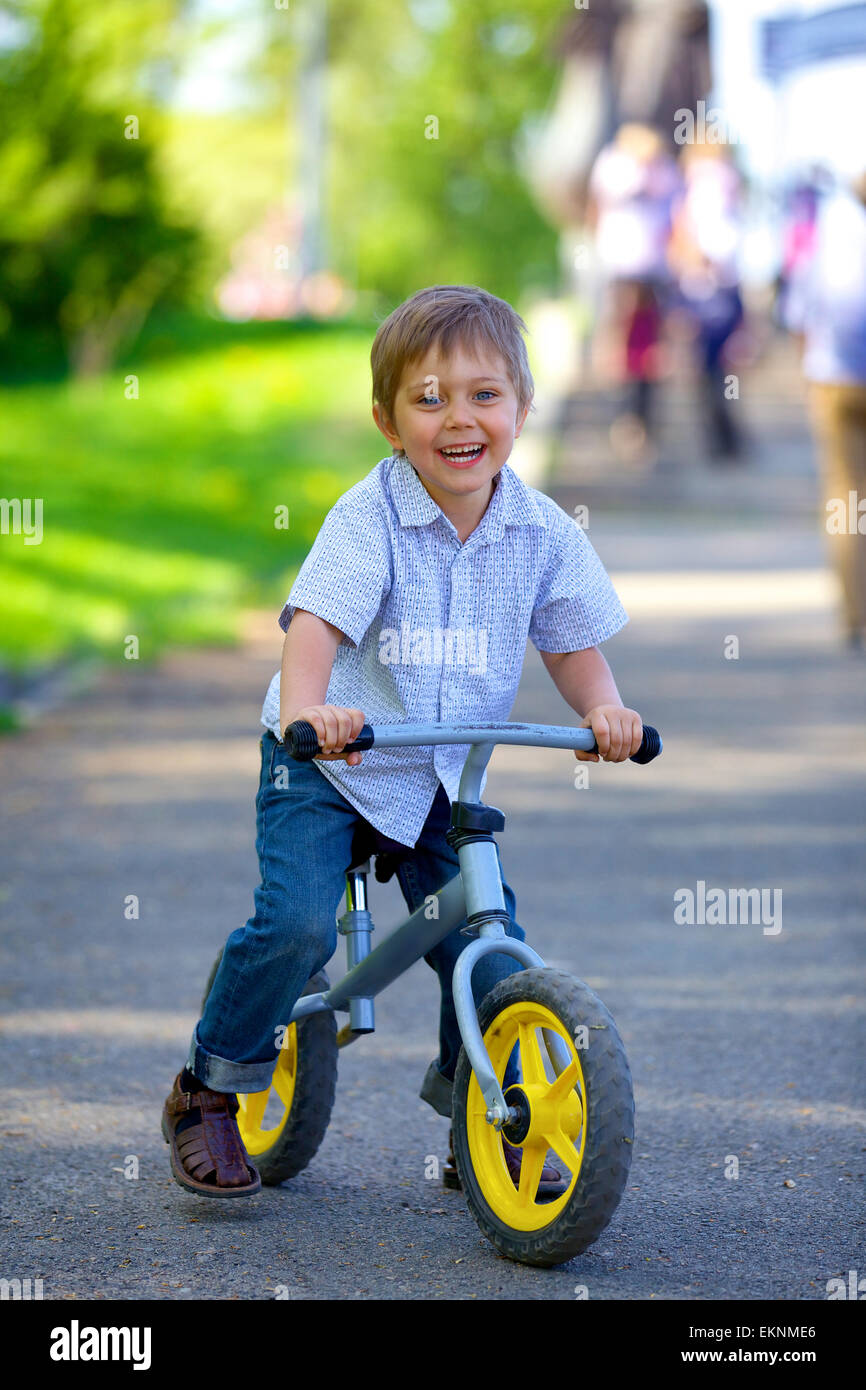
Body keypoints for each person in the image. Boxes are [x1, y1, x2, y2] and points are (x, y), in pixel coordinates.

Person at [161, 284, 645, 1197]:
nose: (458, 419)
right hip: (330, 763)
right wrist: (310, 715)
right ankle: (210, 1087)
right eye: (430, 399)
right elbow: (313, 627)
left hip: (438, 771)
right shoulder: (368, 516)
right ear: (388, 420)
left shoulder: (540, 530)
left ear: (523, 408)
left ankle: (484, 1110)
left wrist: (605, 712)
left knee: (484, 943)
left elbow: (571, 643)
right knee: (298, 924)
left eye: (483, 396)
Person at [785, 172, 866, 648]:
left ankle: (855, 612)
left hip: (833, 378)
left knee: (844, 498)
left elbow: (798, 314)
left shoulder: (828, 244)